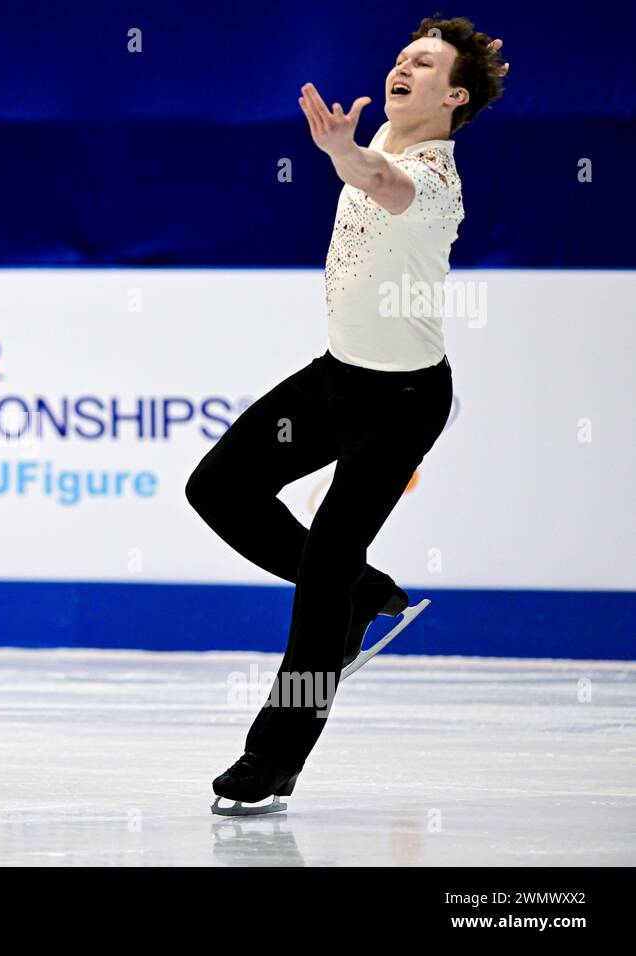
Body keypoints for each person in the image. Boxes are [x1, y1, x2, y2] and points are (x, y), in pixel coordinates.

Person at [186, 19, 509, 814]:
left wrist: (342, 154)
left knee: (321, 570)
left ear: (455, 95)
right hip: (335, 382)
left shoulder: (432, 179)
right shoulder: (383, 154)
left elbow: (383, 185)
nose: (402, 68)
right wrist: (352, 156)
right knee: (219, 489)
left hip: (402, 403)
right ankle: (362, 592)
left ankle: (272, 757)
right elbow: (370, 171)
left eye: (423, 63)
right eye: (401, 57)